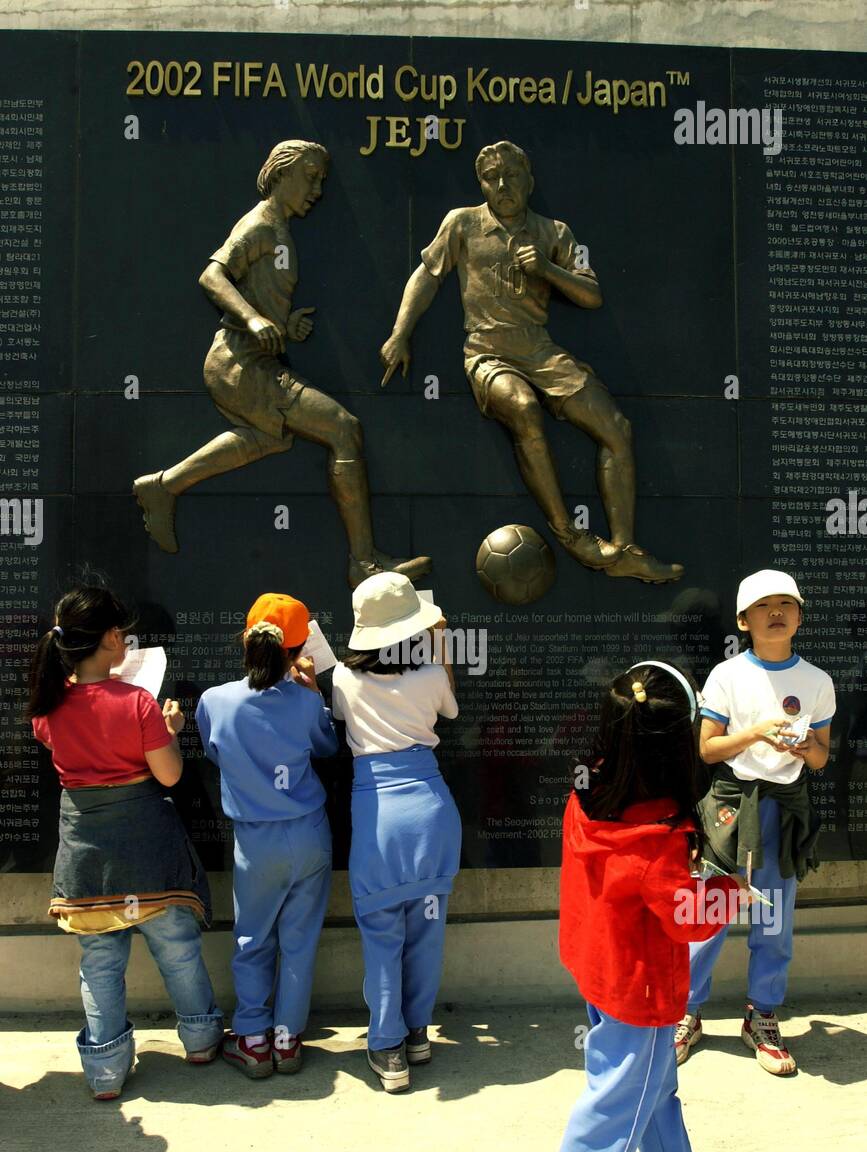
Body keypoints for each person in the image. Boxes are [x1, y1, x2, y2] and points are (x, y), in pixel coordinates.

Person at [514, 661, 743, 1152]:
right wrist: (734, 889)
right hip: (640, 988)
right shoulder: (658, 837)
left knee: (651, 1086)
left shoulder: (590, 792)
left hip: (595, 964)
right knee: (617, 1102)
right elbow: (691, 920)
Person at [380, 139, 681, 584]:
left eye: (512, 175)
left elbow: (591, 293)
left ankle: (624, 548)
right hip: (487, 351)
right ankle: (570, 535)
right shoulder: (462, 223)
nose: (502, 185)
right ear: (481, 184)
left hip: (540, 350)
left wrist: (546, 269)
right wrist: (400, 333)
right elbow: (427, 275)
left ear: (529, 181)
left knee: (616, 428)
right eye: (491, 177)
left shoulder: (554, 232)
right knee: (522, 408)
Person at [133, 139, 428, 590]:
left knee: (263, 440)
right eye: (310, 177)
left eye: (322, 181)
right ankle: (363, 563)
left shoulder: (279, 229)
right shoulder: (260, 225)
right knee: (343, 429)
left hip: (247, 360)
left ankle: (163, 485)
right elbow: (212, 275)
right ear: (280, 173)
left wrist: (282, 324)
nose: (317, 189)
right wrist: (253, 320)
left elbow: (254, 292)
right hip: (240, 363)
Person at [28, 585, 223, 1101]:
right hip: (146, 847)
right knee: (178, 950)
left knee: (99, 962)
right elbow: (169, 775)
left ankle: (106, 1070)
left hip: (86, 852)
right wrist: (170, 729)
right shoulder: (136, 701)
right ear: (114, 638)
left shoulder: (48, 707)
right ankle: (201, 1040)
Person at [676, 570, 835, 1077]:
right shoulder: (727, 676)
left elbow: (821, 759)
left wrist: (805, 745)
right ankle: (686, 1011)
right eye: (764, 606)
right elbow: (707, 748)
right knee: (707, 915)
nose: (776, 613)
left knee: (774, 918)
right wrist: (757, 733)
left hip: (782, 809)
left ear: (800, 617)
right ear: (744, 620)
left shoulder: (816, 681)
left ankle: (762, 1015)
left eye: (786, 604)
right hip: (731, 807)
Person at [196, 593, 338, 1078]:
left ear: (247, 638)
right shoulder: (305, 701)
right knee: (298, 939)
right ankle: (288, 1037)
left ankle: (252, 1039)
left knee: (253, 938)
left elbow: (218, 755)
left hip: (255, 840)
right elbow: (327, 746)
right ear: (298, 650)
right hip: (310, 833)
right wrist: (312, 693)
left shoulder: (215, 701)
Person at [331, 573, 462, 1092]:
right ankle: (417, 1033)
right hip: (431, 807)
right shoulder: (430, 674)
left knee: (382, 933)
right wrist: (441, 643)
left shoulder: (342, 678)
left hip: (378, 812)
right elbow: (449, 708)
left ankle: (387, 1050)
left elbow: (340, 724)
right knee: (427, 931)